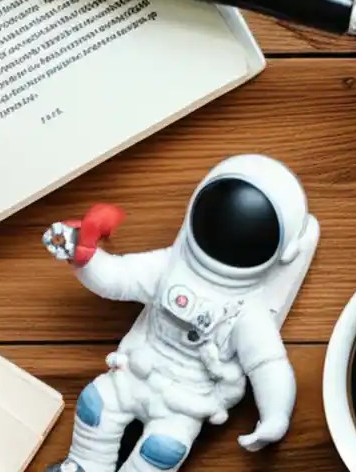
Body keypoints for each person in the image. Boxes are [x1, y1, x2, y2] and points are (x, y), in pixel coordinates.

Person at [43, 155, 318, 472]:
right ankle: (84, 464)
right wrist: (86, 257)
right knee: (95, 406)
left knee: (163, 450)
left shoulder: (249, 312)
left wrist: (275, 415)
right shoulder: (170, 265)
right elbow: (118, 278)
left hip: (185, 403)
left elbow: (268, 366)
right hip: (132, 373)